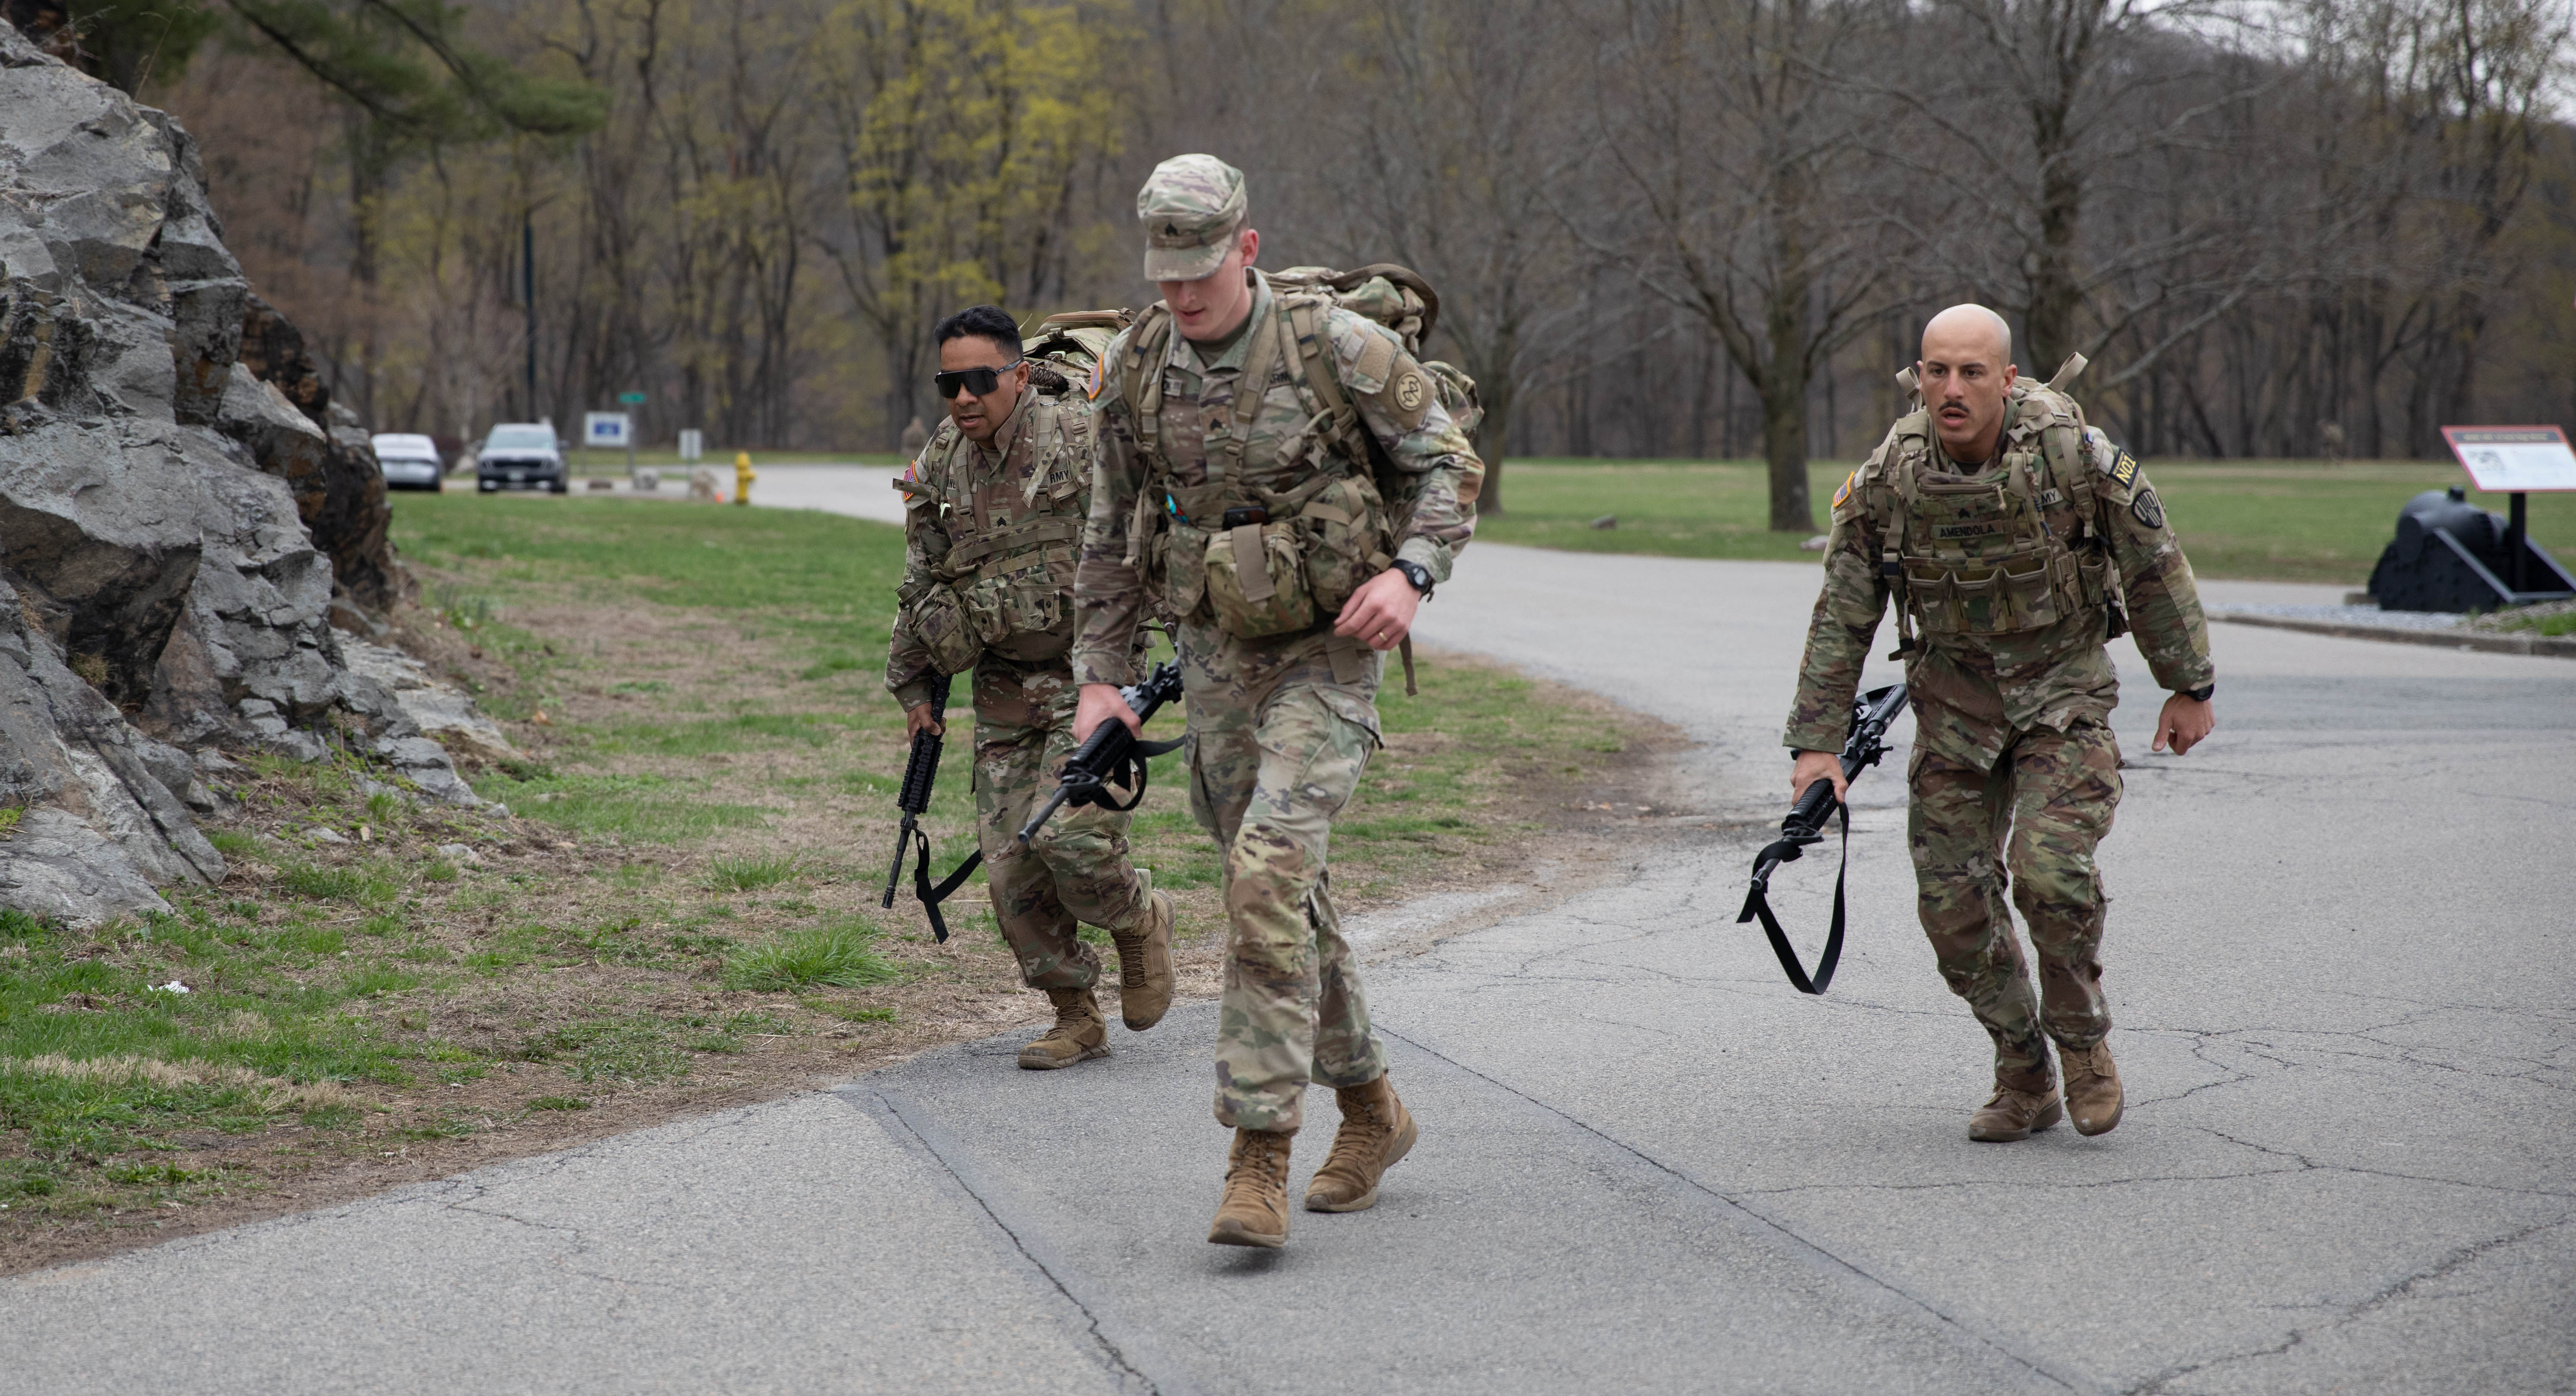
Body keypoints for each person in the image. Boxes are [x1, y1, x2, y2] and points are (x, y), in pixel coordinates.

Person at [1070, 155, 1481, 1248]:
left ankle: (1257, 1154)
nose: (1183, 293)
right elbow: (1112, 535)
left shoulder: (1338, 347)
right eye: (1165, 273)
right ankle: (1373, 1109)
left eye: (1201, 270)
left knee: (1265, 877)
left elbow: (1448, 466)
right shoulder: (1137, 366)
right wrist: (1100, 680)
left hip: (1329, 650)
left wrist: (1415, 572)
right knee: (1284, 898)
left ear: (1247, 248)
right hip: (1213, 660)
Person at [1784, 304, 2216, 1143]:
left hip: (2063, 698)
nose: (1952, 388)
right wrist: (1815, 744)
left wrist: (2187, 683)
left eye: (1972, 371)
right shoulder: (1892, 477)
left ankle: (2083, 1043)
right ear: (1919, 377)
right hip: (1955, 710)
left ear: (2007, 379)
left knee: (2049, 876)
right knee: (1952, 907)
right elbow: (1843, 611)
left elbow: (2153, 561)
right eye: (1936, 370)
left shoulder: (2071, 452)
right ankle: (2024, 1071)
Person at [885, 304, 1176, 1071]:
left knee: (1070, 835)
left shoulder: (1080, 437)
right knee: (1011, 867)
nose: (963, 397)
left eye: (980, 379)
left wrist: (1192, 640)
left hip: (1095, 674)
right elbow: (921, 579)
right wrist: (914, 683)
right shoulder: (943, 462)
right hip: (1007, 683)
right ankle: (1075, 1014)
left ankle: (1140, 921)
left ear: (1018, 374)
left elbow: (1153, 534)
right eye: (950, 382)